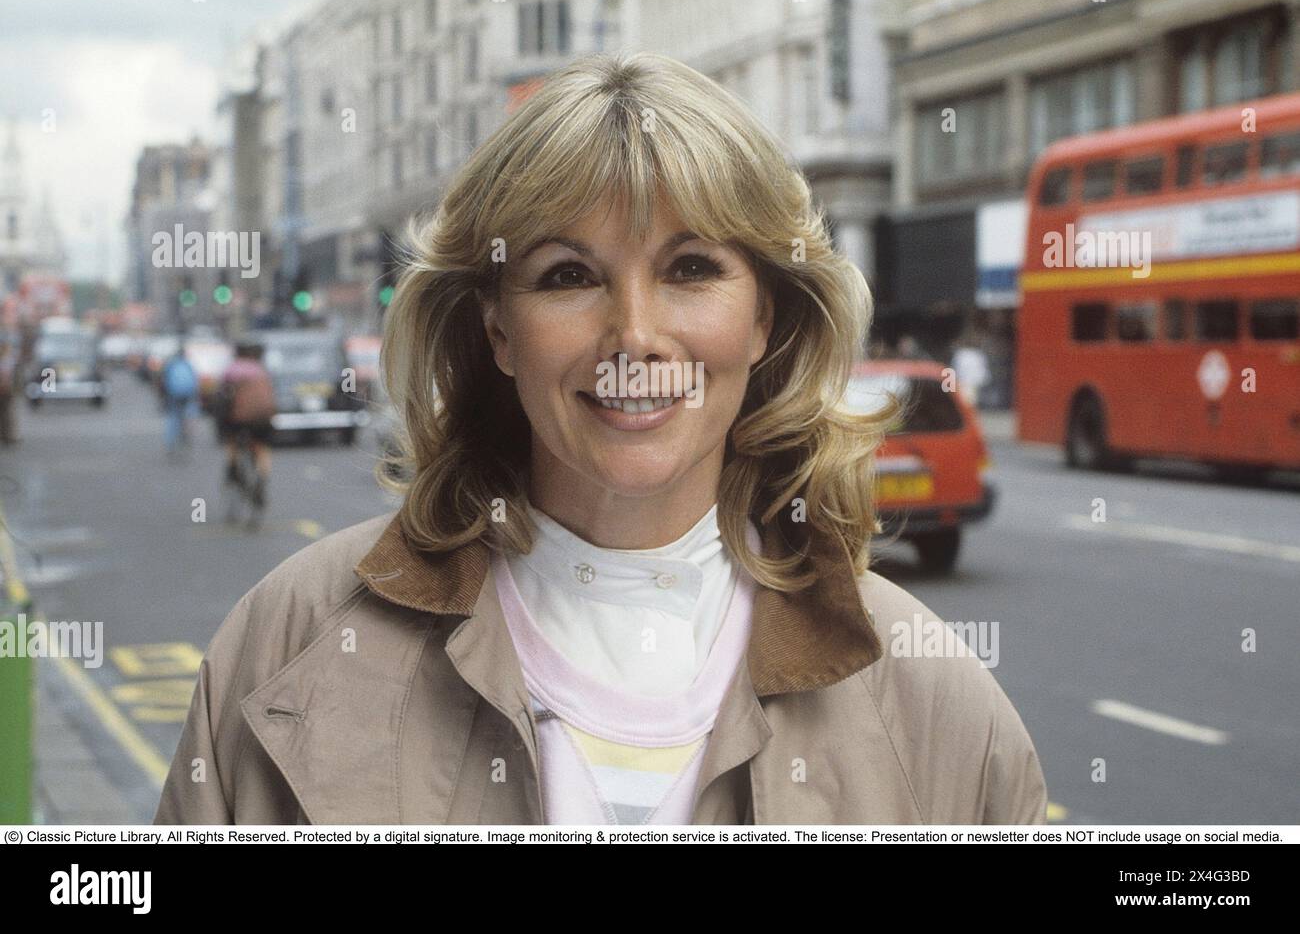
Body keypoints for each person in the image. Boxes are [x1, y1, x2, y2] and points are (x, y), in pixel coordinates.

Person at [156, 53, 1047, 825]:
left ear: (764, 315)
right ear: (498, 328)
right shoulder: (290, 643)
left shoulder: (938, 706)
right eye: (569, 274)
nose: (635, 333)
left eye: (691, 269)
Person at [216, 341, 275, 512]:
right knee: (263, 447)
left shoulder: (232, 369)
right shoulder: (262, 369)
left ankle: (233, 467)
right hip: (264, 416)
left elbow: (222, 396)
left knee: (232, 442)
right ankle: (262, 478)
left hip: (240, 417)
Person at [160, 344, 199, 458]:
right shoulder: (188, 364)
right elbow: (194, 381)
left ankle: (170, 443)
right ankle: (187, 436)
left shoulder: (171, 364)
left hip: (174, 393)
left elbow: (165, 380)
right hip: (187, 393)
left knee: (173, 417)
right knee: (188, 414)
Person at [0, 337, 17, 445]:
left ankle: (8, 436)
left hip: (5, 391)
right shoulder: (7, 359)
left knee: (7, 414)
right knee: (7, 414)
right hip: (5, 390)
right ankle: (8, 436)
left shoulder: (7, 359)